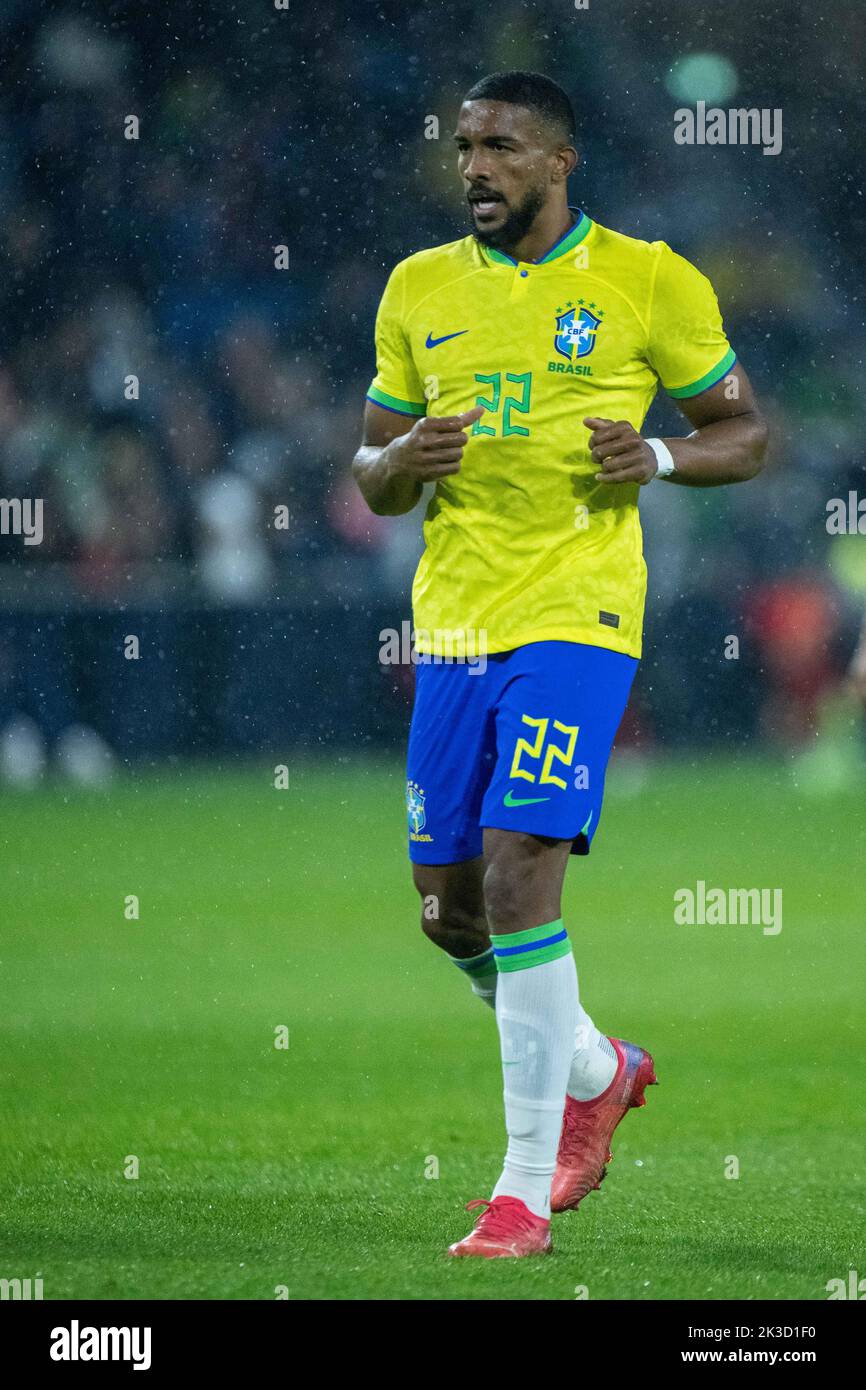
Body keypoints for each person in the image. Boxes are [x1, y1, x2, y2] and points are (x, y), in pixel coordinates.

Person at [352, 71, 768, 1258]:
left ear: (558, 162)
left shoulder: (647, 277)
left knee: (523, 876)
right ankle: (593, 1066)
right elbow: (366, 472)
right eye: (464, 146)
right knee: (450, 912)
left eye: (501, 147)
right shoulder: (416, 288)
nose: (475, 167)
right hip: (453, 628)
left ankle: (518, 1197)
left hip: (578, 617)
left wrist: (658, 457)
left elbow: (741, 432)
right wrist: (401, 463)